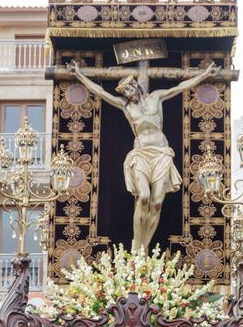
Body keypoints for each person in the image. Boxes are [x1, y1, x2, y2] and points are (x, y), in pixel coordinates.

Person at [70, 59, 218, 251]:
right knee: (144, 197)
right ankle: (137, 248)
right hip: (140, 154)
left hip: (161, 154)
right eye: (125, 92)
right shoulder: (126, 106)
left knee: (157, 203)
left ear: (135, 86)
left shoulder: (156, 97)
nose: (128, 94)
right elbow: (100, 92)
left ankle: (142, 250)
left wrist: (204, 75)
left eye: (129, 89)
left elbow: (181, 87)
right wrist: (79, 74)